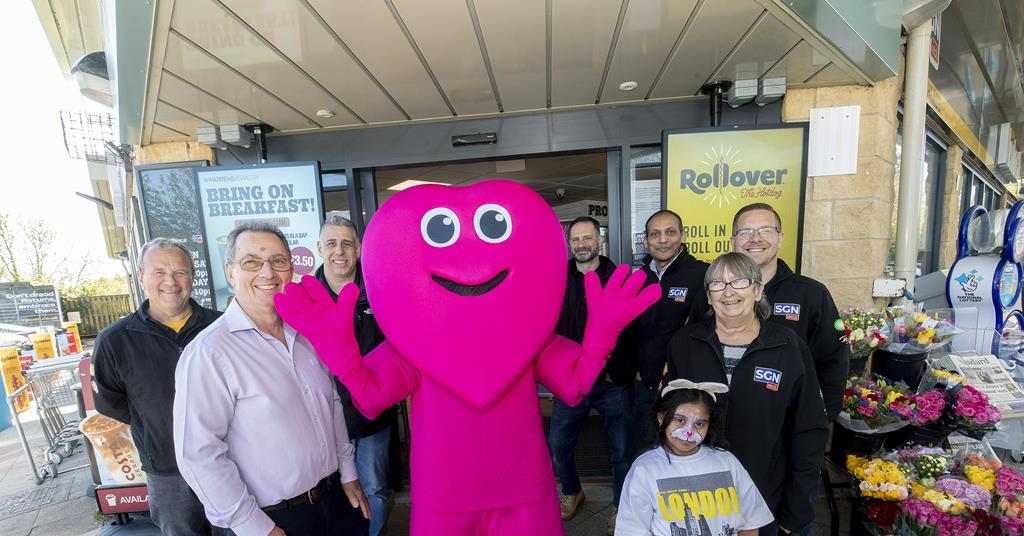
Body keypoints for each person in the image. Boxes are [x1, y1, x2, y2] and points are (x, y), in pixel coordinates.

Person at [173, 222, 370, 536]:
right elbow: (199, 453)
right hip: (274, 521)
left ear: (291, 269)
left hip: (335, 502)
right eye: (251, 262)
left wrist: (348, 472)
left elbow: (331, 405)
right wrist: (253, 527)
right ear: (230, 272)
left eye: (278, 261)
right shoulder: (209, 352)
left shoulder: (306, 334)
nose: (268, 273)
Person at [665, 253, 828, 535]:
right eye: (717, 284)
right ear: (708, 296)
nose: (728, 291)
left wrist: (796, 509)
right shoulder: (684, 343)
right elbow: (669, 418)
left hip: (766, 496)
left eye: (739, 281)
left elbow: (808, 430)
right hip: (699, 497)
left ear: (757, 290)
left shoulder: (788, 346)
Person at [94, 238, 221, 536]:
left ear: (192, 276)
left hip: (229, 461)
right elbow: (113, 402)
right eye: (158, 272)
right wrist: (157, 422)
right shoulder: (115, 340)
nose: (171, 282)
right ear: (141, 277)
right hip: (167, 471)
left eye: (180, 272)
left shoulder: (222, 327)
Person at [549, 217, 634, 534]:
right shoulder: (556, 277)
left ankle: (620, 506)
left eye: (588, 238)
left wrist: (617, 372)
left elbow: (634, 330)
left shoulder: (620, 277)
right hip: (570, 381)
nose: (582, 244)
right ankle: (572, 491)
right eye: (576, 240)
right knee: (559, 445)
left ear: (600, 240)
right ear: (569, 243)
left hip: (610, 382)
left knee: (621, 450)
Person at [730, 203, 848, 420]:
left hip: (791, 423)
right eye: (745, 232)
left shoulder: (811, 293)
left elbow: (833, 360)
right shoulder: (714, 294)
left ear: (780, 237)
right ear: (733, 240)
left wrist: (822, 417)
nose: (755, 238)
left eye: (766, 230)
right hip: (725, 420)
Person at [315, 213, 394, 536]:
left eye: (347, 243)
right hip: (323, 415)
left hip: (373, 414)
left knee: (373, 488)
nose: (339, 251)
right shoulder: (306, 296)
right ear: (319, 248)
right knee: (330, 492)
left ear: (358, 249)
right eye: (331, 243)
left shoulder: (381, 289)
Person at [616, 379, 773, 535]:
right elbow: (632, 530)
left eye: (699, 424)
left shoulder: (727, 462)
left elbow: (751, 522)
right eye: (680, 420)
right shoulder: (644, 469)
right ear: (661, 417)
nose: (688, 432)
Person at [631, 210, 709, 458]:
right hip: (646, 385)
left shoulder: (703, 275)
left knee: (683, 453)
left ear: (683, 236)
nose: (662, 240)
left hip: (684, 387)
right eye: (655, 234)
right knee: (643, 451)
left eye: (670, 232)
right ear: (646, 241)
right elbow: (629, 329)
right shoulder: (638, 277)